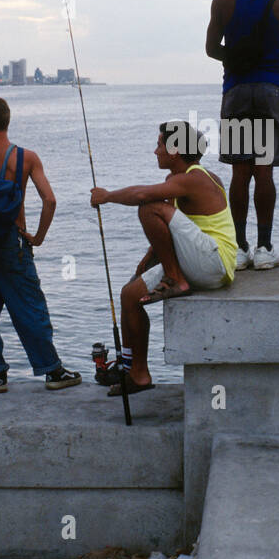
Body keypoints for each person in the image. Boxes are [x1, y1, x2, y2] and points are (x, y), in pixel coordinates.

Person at [90, 121, 237, 396]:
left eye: (160, 145)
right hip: (202, 261)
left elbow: (144, 196)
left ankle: (175, 279)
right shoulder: (181, 182)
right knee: (129, 295)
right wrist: (147, 260)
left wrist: (107, 196)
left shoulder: (195, 178)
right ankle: (137, 374)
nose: (155, 151)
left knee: (148, 207)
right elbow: (175, 225)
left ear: (175, 149)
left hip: (213, 263)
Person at [0, 96, 81, 393]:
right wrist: (39, 237)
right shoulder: (26, 157)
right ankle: (52, 371)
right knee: (29, 308)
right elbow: (50, 200)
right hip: (13, 243)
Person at [205, 0, 279, 271]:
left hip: (238, 89)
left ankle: (241, 248)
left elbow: (212, 48)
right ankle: (265, 248)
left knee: (240, 173)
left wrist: (237, 56)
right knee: (265, 171)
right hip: (272, 89)